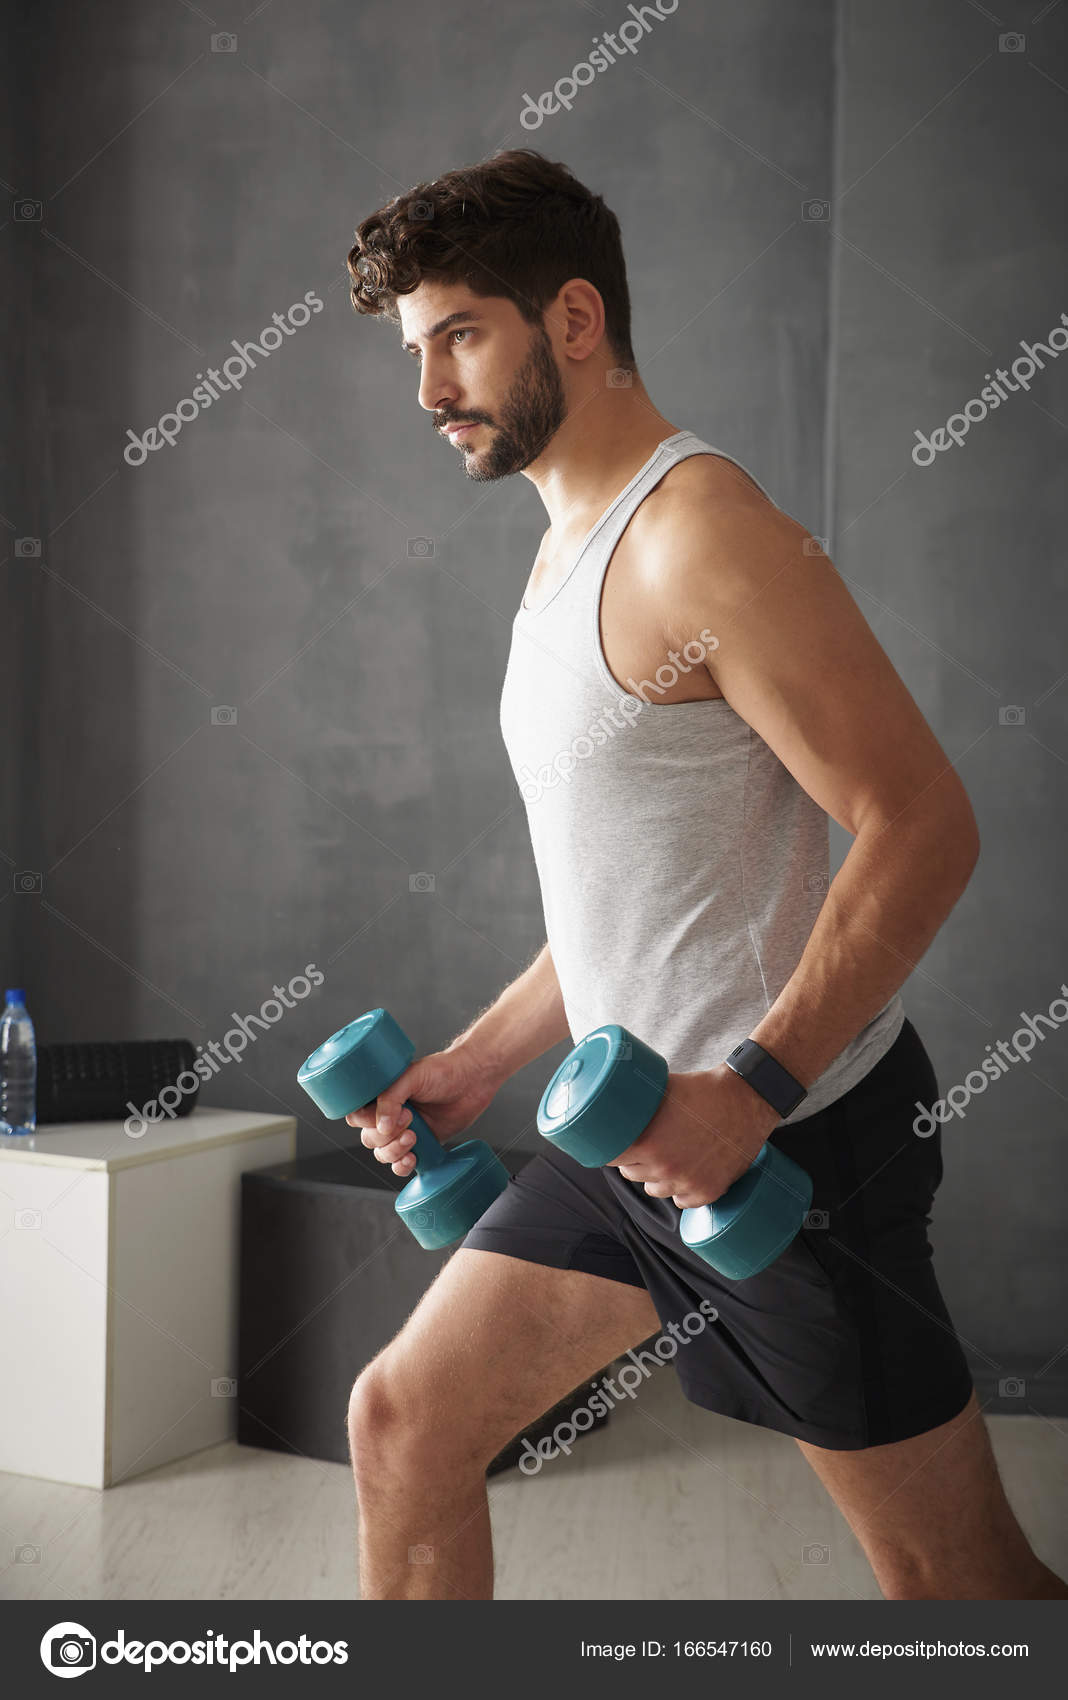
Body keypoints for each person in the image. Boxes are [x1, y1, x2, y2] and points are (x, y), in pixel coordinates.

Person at [341, 148, 1066, 1602]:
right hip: (630, 1148)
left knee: (963, 1592)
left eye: (460, 337)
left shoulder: (701, 537)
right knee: (403, 1422)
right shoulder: (563, 555)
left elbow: (923, 821)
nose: (428, 392)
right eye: (414, 352)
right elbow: (635, 894)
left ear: (576, 321)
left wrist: (753, 1096)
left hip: (796, 1147)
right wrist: (484, 1063)